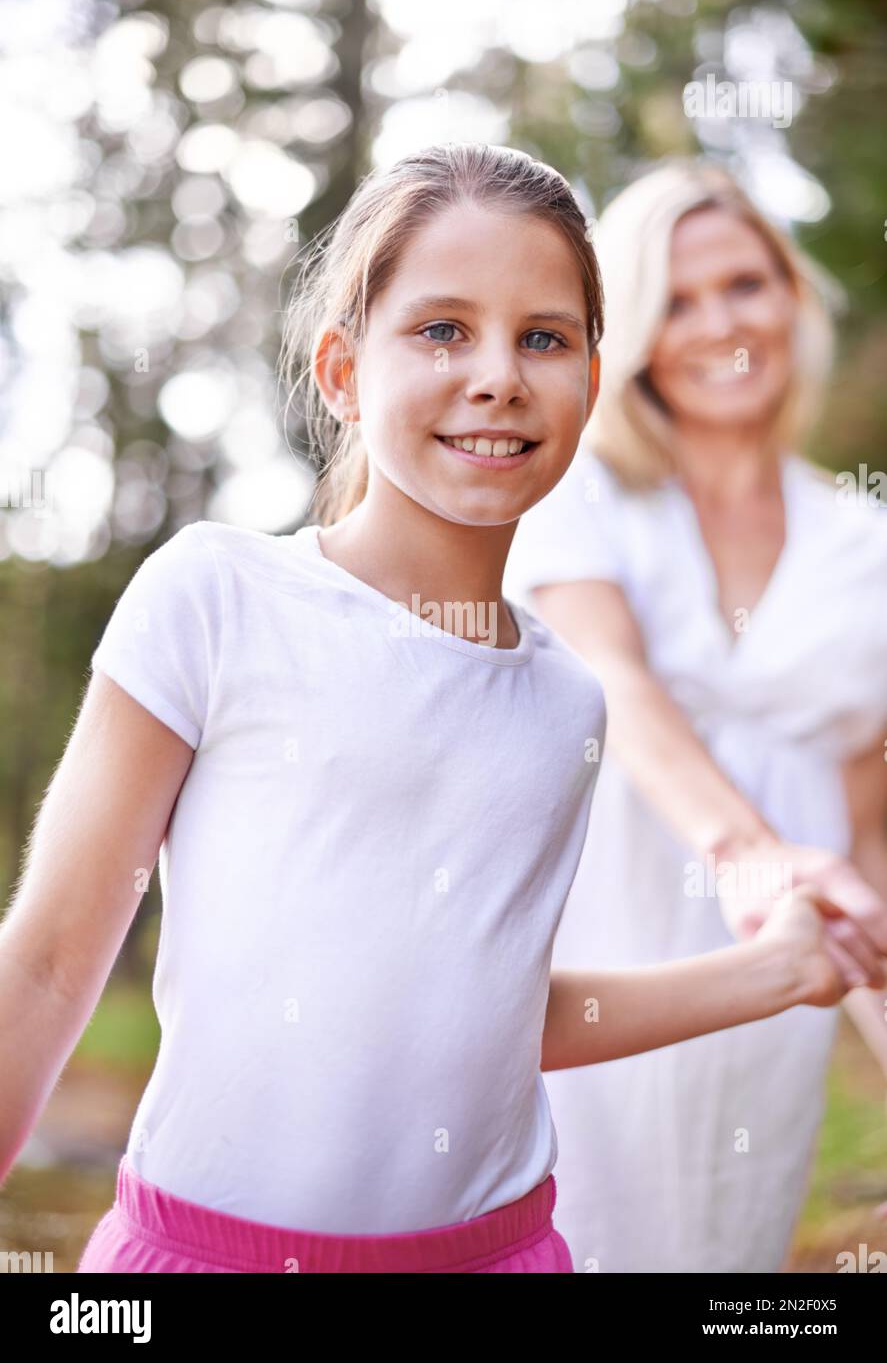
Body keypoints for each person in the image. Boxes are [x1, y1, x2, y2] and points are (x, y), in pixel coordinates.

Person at [0, 145, 882, 1276]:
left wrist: (779, 970)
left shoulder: (565, 698)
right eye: (440, 330)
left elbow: (491, 1016)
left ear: (591, 382)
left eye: (543, 338)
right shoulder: (215, 595)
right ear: (340, 372)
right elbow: (46, 963)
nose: (497, 375)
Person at [503, 158, 887, 1273]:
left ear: (792, 297)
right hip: (589, 968)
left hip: (778, 991)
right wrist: (744, 849)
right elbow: (614, 682)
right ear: (630, 333)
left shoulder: (863, 545)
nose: (718, 323)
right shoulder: (579, 491)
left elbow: (865, 825)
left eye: (744, 284)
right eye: (674, 299)